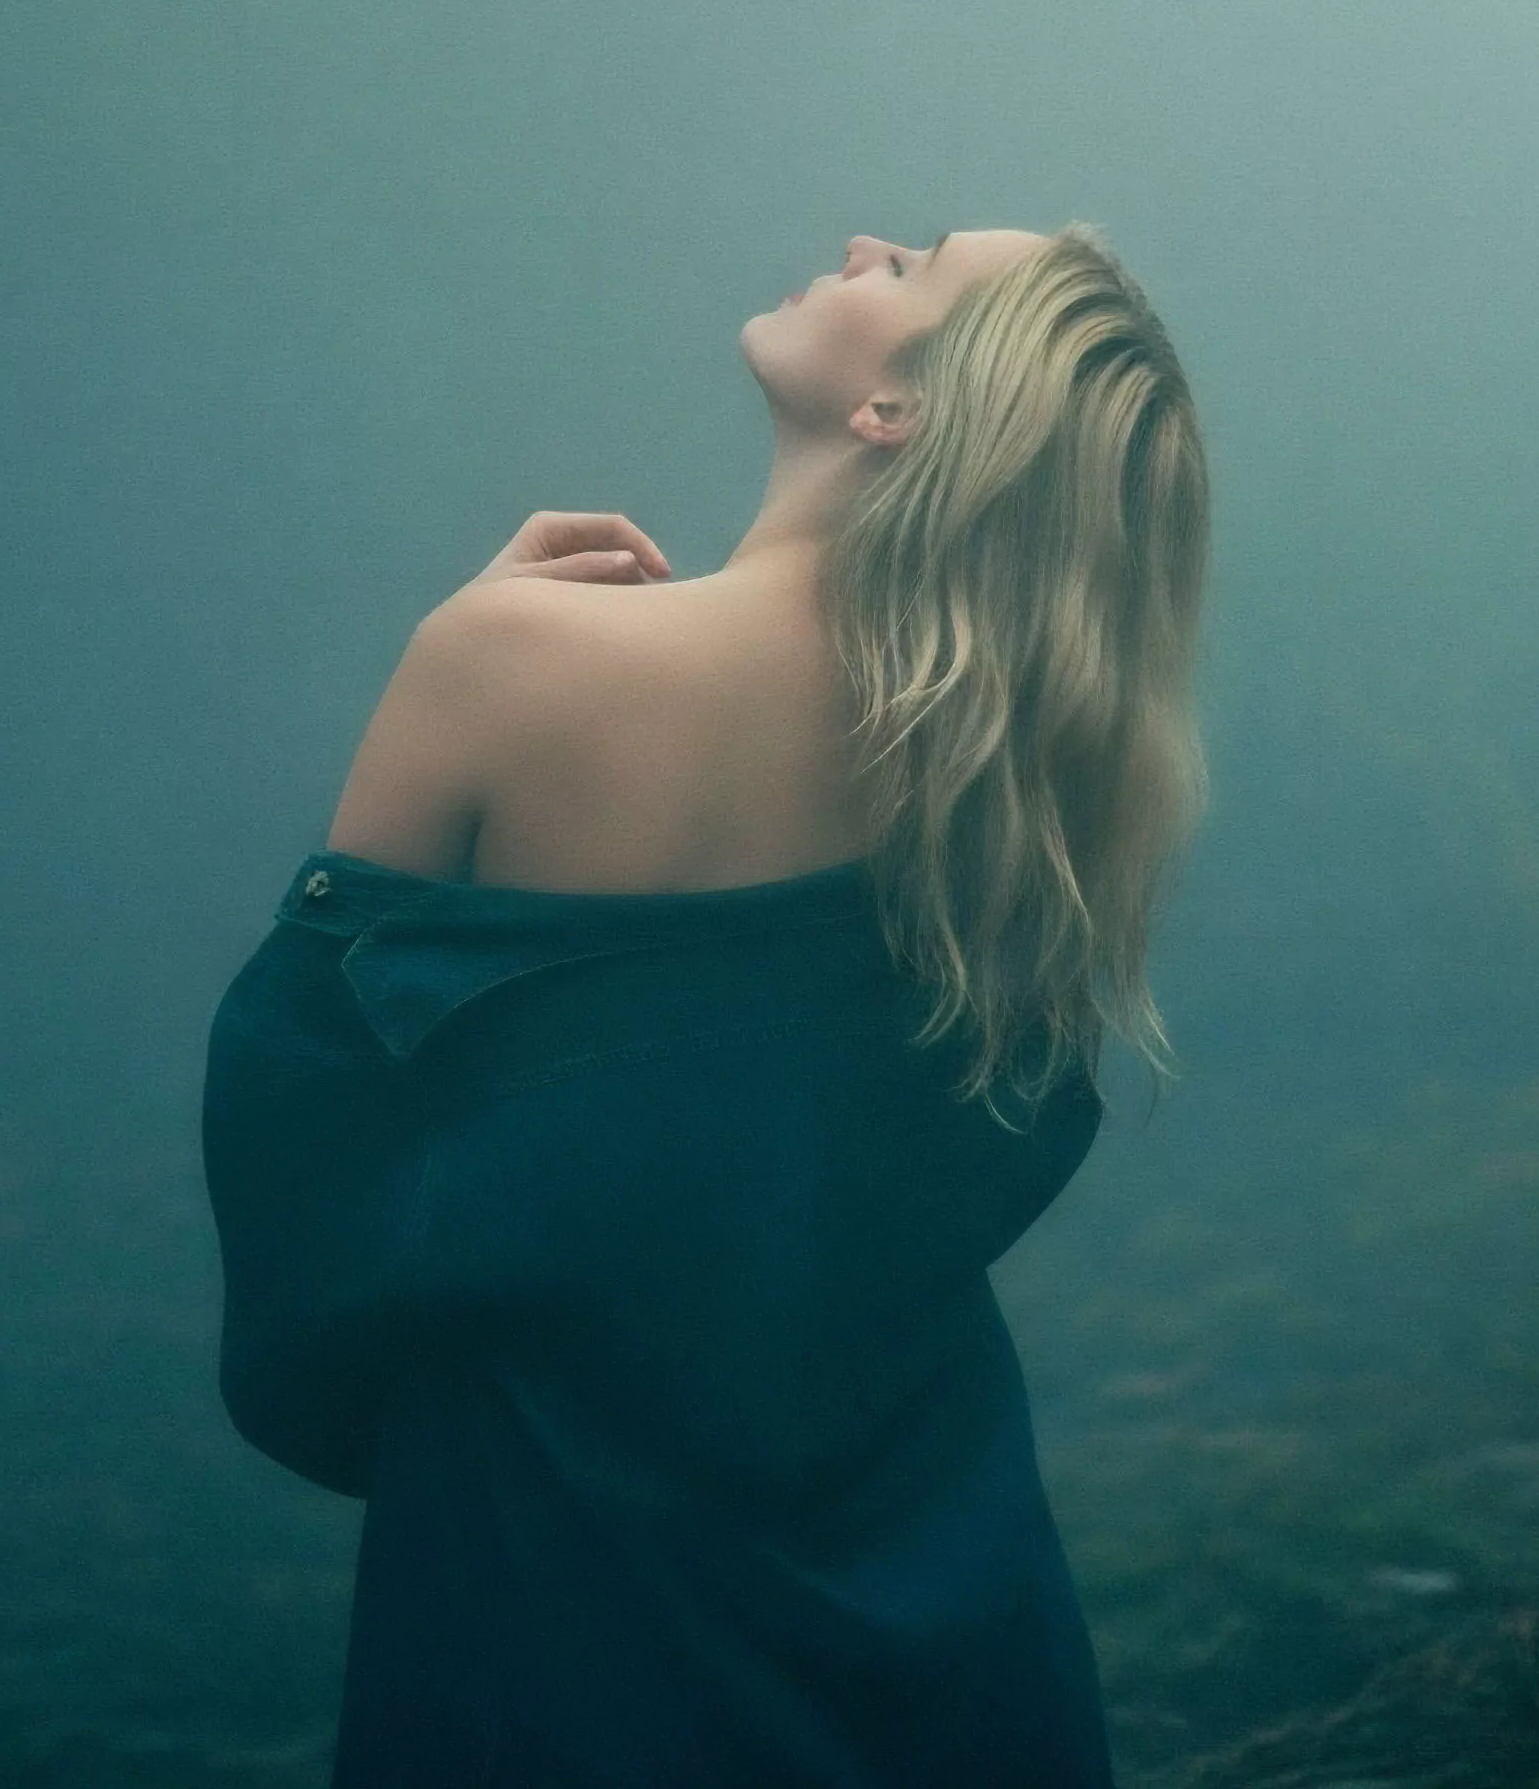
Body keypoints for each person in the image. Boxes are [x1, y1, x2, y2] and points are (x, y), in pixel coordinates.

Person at [201, 224, 1210, 1787]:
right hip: (931, 1546)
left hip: (550, 1547)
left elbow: (303, 1103)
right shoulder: (1010, 781)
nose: (869, 240)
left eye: (917, 264)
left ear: (897, 412)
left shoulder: (504, 658)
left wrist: (463, 634)